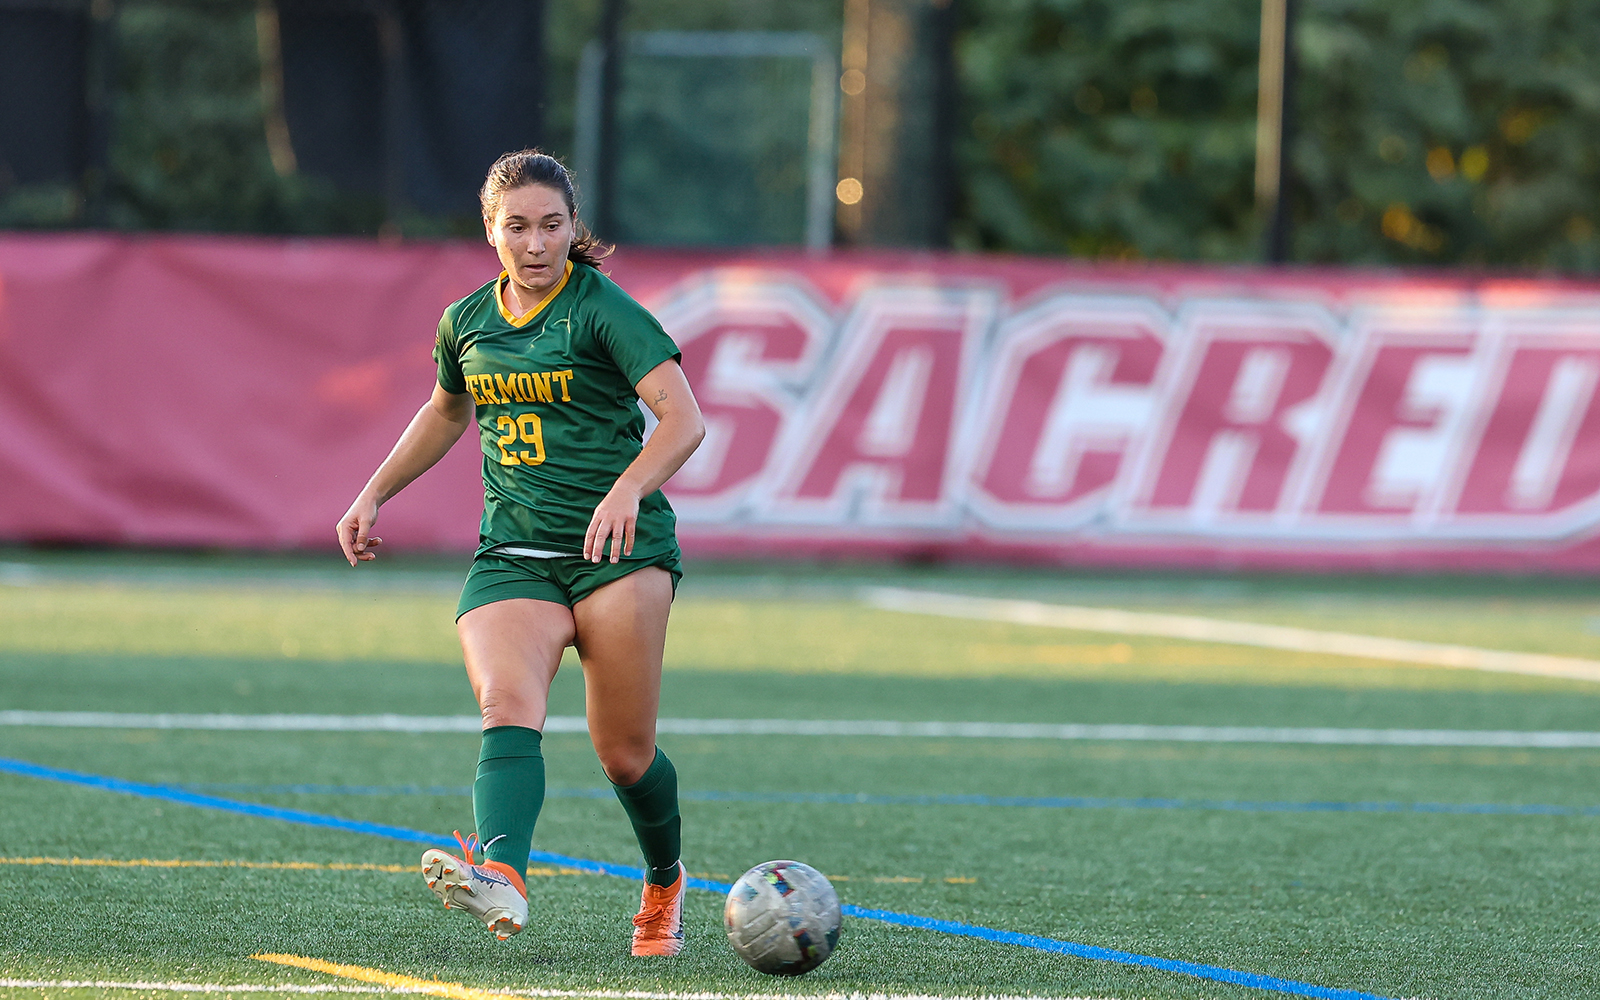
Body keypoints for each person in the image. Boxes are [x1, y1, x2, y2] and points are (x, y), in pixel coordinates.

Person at [335, 149, 705, 956]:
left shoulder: (605, 310)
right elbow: (444, 413)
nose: (535, 244)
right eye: (517, 228)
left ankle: (665, 881)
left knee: (625, 755)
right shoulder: (465, 320)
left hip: (621, 552)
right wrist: (372, 493)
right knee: (506, 705)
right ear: (490, 231)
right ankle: (501, 873)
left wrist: (627, 488)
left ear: (574, 229)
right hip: (513, 553)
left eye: (551, 226)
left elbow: (685, 421)